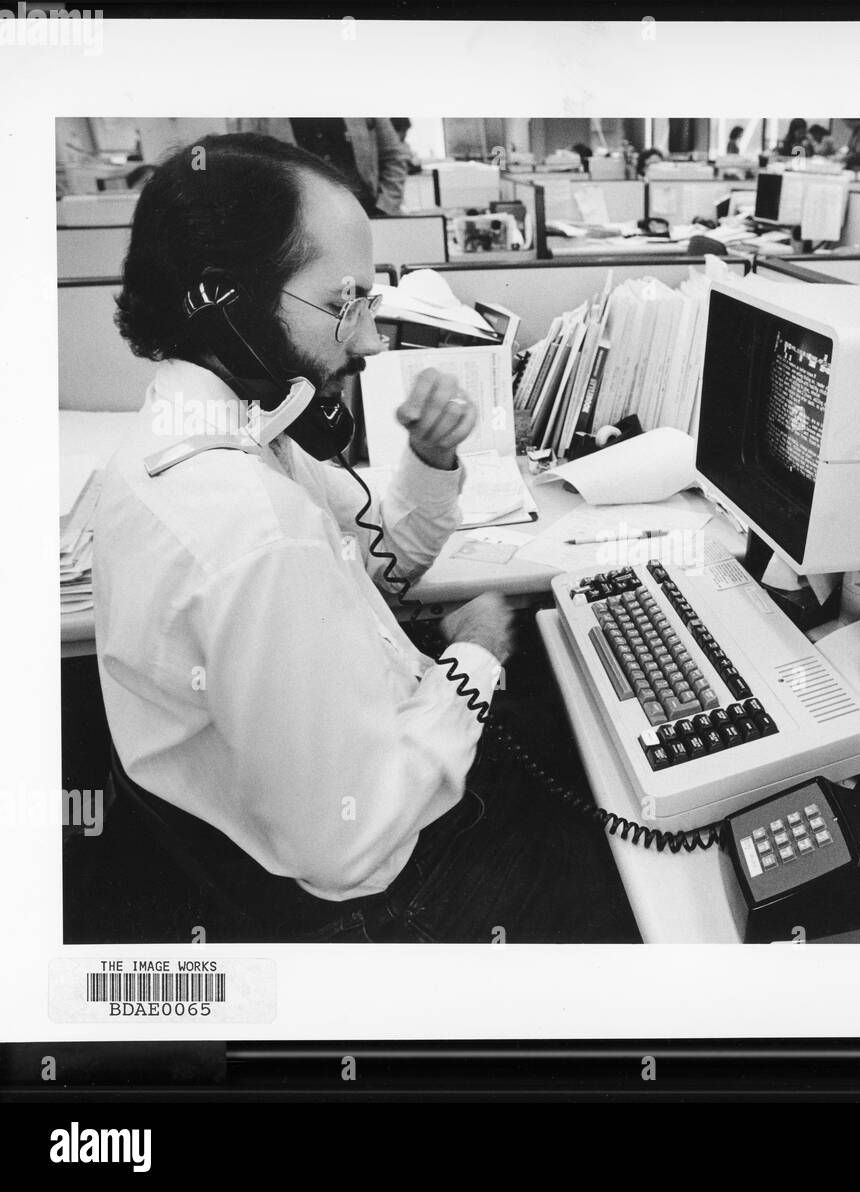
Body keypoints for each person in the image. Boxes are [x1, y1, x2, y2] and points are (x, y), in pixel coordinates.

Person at [98, 133, 639, 943]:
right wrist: (478, 656)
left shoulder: (223, 433)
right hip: (384, 897)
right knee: (637, 844)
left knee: (586, 722)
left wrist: (429, 460)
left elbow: (383, 564)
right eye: (344, 303)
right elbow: (350, 850)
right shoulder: (252, 527)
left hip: (329, 789)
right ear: (226, 298)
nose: (369, 341)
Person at [228, 117, 408, 217]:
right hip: (299, 225)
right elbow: (247, 166)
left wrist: (385, 208)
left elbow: (394, 156)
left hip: (367, 216)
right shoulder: (261, 115)